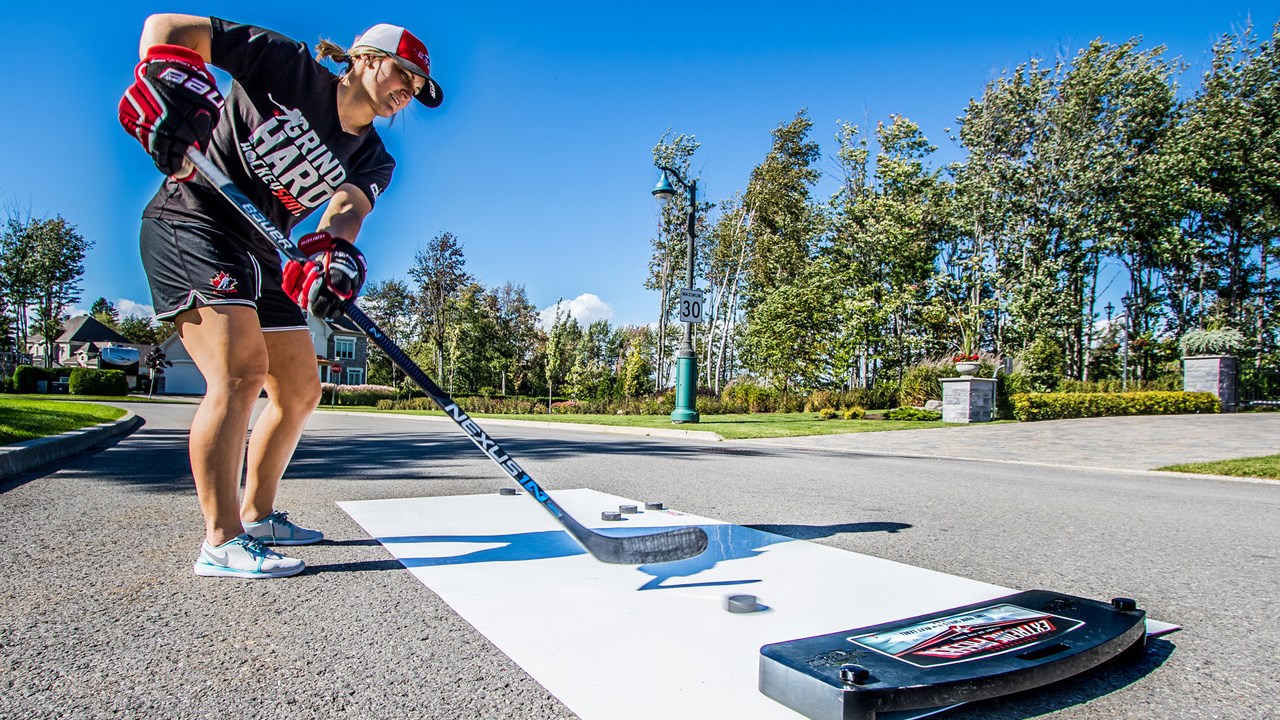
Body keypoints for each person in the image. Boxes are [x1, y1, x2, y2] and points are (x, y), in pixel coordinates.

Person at [118, 14, 443, 578]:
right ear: (364, 58)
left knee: (299, 389)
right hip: (192, 220)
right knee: (240, 373)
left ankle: (259, 514)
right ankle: (221, 540)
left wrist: (333, 256)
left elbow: (347, 208)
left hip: (264, 252)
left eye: (415, 88)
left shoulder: (374, 158)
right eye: (402, 73)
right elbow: (167, 26)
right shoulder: (285, 65)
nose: (406, 91)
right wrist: (167, 75)